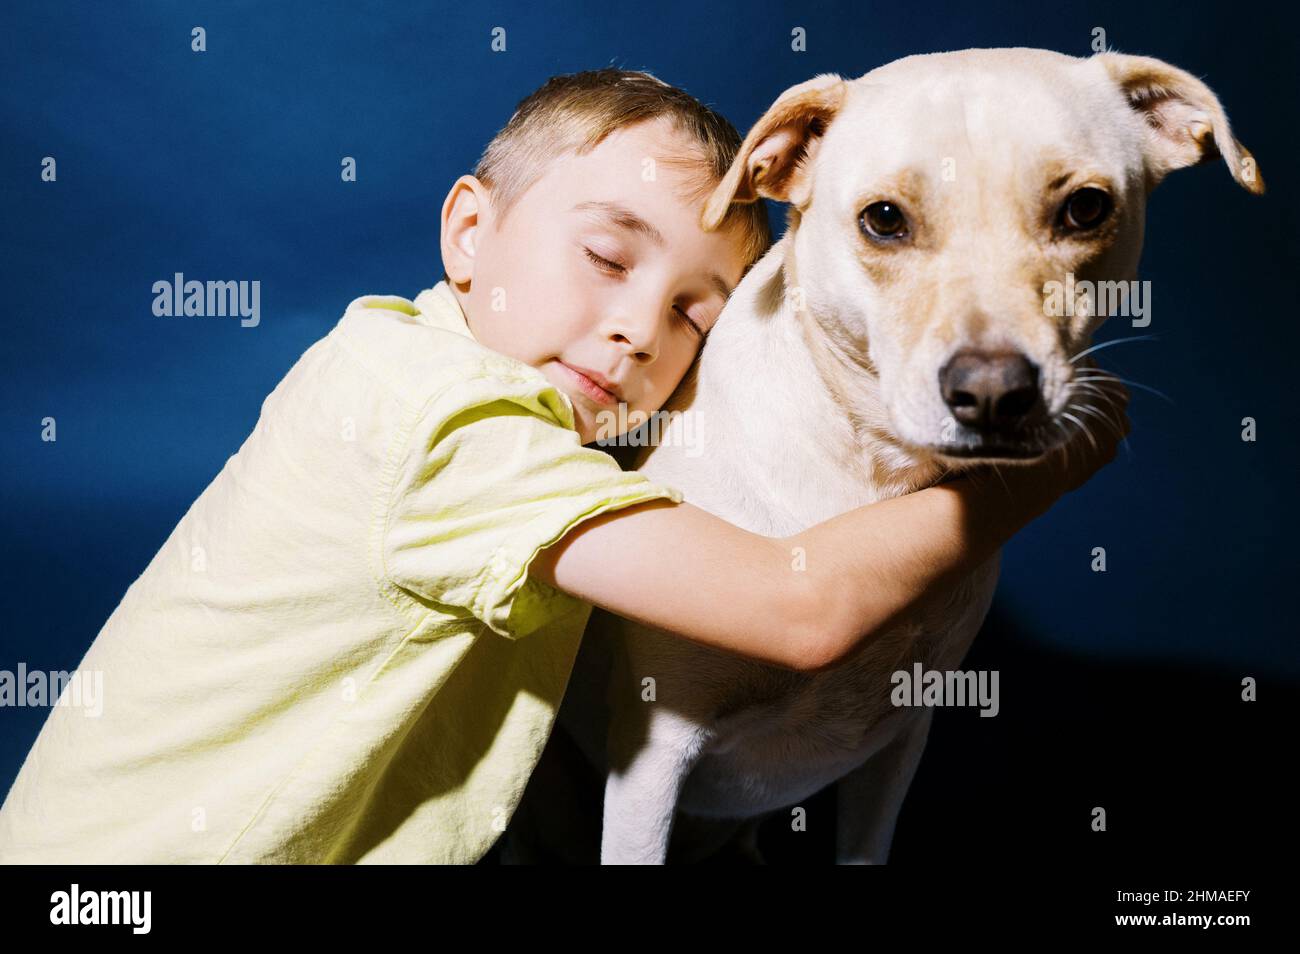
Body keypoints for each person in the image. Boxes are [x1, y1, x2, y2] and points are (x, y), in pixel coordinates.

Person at [0, 69, 1127, 865]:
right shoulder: (435, 421)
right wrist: (1038, 469)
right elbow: (798, 612)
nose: (641, 328)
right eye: (605, 256)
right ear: (468, 232)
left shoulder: (459, 378)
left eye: (699, 310)